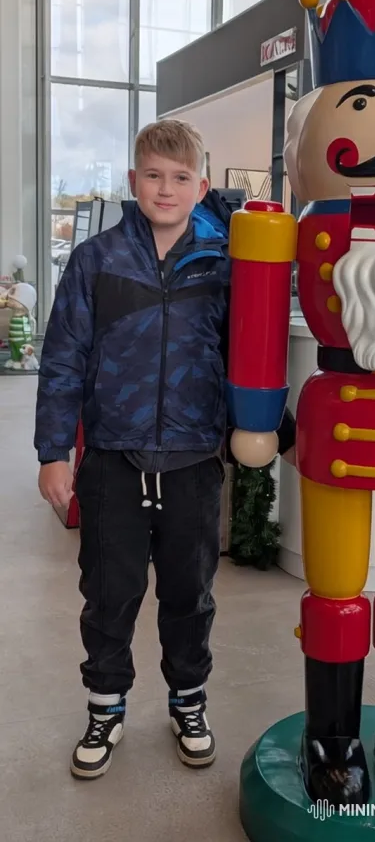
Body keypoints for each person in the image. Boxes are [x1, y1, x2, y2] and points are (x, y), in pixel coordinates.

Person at [35, 120, 296, 780]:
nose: (166, 188)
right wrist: (54, 451)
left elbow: (250, 352)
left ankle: (189, 700)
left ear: (201, 185)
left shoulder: (224, 262)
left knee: (190, 592)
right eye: (153, 174)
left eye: (181, 178)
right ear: (133, 181)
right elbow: (63, 357)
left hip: (192, 461)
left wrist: (278, 428)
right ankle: (105, 703)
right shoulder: (96, 261)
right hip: (112, 461)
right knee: (109, 591)